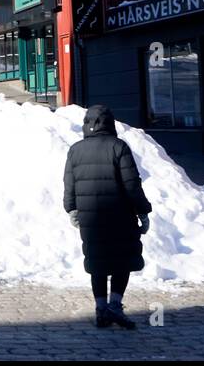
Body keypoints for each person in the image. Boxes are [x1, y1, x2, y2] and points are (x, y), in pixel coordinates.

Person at [63, 104, 152, 330]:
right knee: (122, 260)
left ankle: (101, 308)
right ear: (110, 124)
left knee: (98, 262)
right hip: (120, 215)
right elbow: (132, 184)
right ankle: (115, 305)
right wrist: (143, 210)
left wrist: (71, 209)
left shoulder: (75, 150)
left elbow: (69, 184)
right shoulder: (118, 147)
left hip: (90, 218)